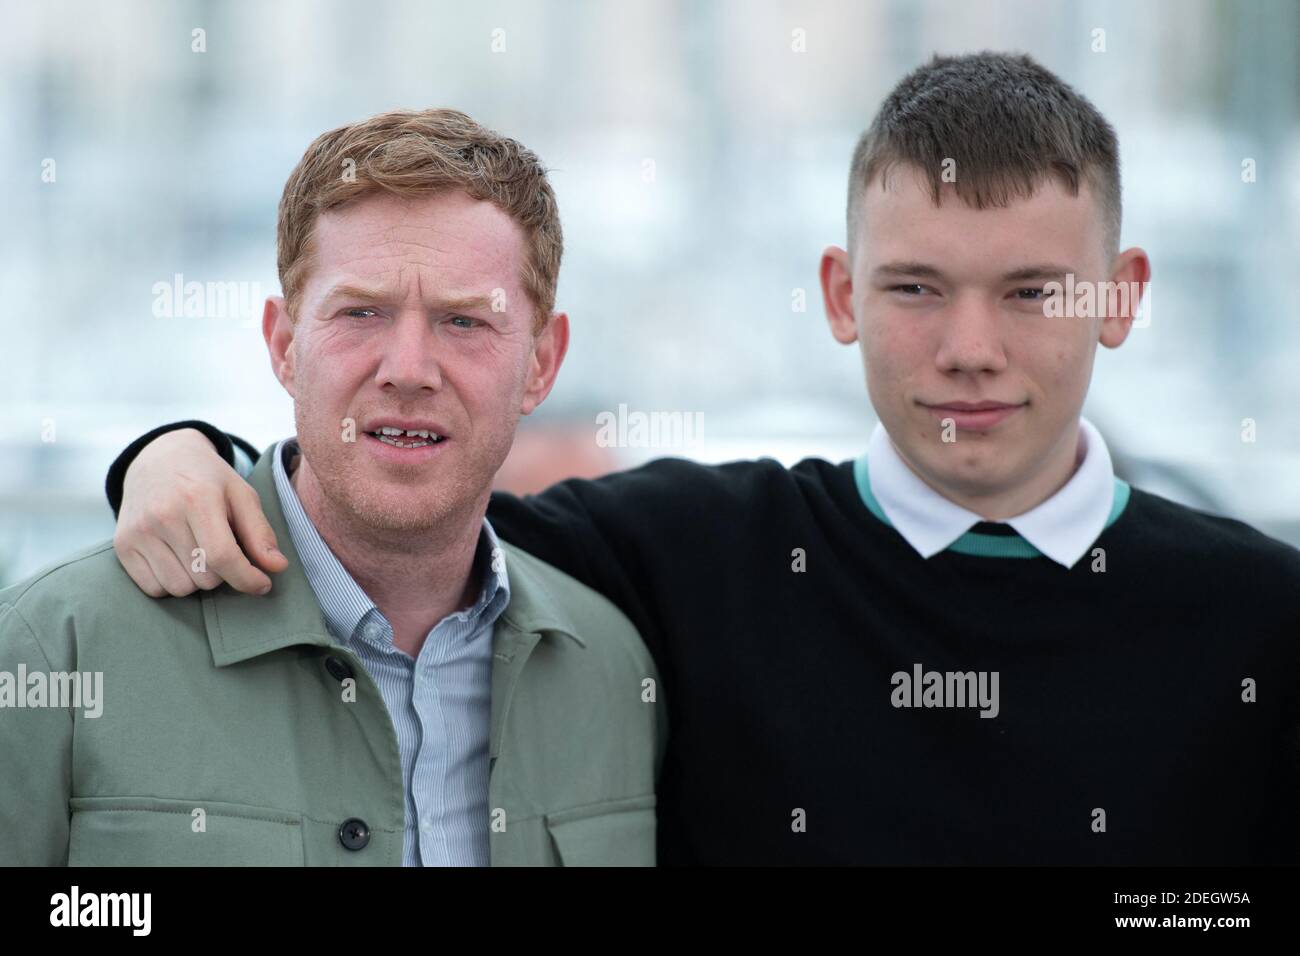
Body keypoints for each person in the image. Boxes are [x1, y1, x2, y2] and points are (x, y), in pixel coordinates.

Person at [100, 53, 1300, 864]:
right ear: (840, 294)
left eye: (1031, 290)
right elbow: (391, 497)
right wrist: (174, 453)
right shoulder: (694, 558)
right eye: (915, 288)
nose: (969, 349)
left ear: (1119, 295)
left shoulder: (1260, 616)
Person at [0, 108, 664, 867]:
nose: (409, 368)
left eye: (464, 322)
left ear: (542, 364)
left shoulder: (615, 672)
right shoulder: (54, 651)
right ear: (284, 345)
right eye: (361, 313)